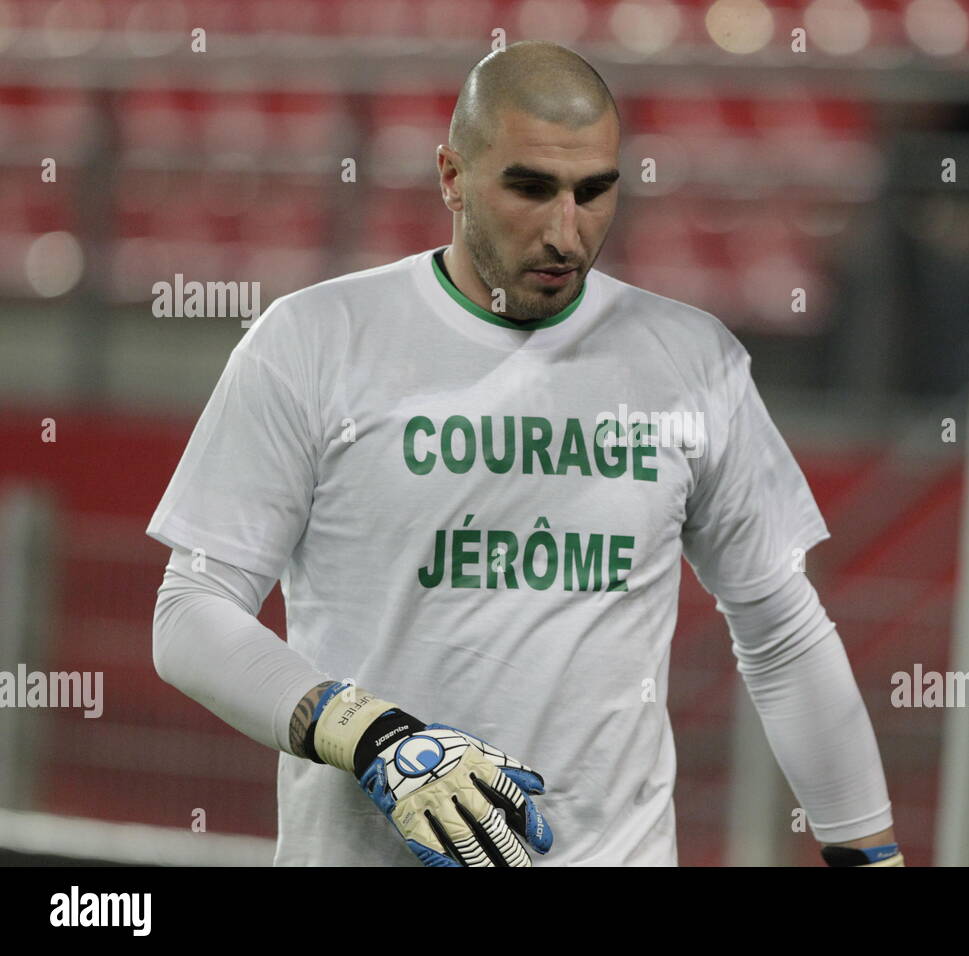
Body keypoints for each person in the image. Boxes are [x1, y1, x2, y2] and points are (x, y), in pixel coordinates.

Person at [148, 40, 899, 867]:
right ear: (451, 176)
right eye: (531, 188)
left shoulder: (693, 360)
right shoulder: (315, 341)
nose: (565, 231)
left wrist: (869, 856)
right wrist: (370, 735)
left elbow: (782, 632)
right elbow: (189, 614)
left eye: (594, 192)